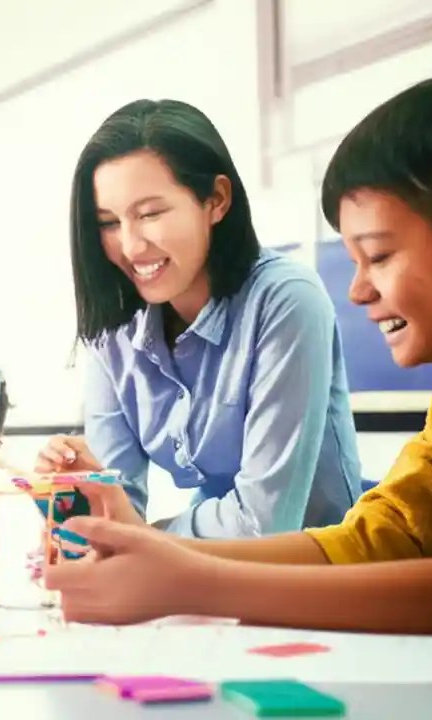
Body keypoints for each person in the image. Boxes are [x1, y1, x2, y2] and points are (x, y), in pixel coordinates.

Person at [46, 72, 432, 653]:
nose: (357, 292)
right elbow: (376, 539)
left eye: (378, 256)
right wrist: (151, 554)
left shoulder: (283, 297)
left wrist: (190, 580)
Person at [35, 99, 362, 538]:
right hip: (205, 571)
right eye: (109, 222)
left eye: (150, 214)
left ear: (216, 200)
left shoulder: (286, 300)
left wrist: (143, 537)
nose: (130, 246)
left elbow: (264, 523)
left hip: (320, 571)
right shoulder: (115, 332)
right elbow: (118, 508)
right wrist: (72, 498)